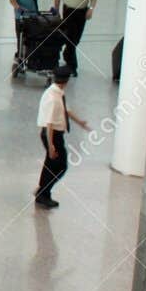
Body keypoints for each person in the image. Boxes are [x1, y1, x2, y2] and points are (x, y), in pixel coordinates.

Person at [35, 66, 87, 209]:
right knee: (61, 166)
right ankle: (43, 193)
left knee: (50, 164)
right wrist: (51, 145)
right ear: (67, 81)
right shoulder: (54, 99)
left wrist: (80, 122)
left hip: (52, 135)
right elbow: (50, 123)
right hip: (53, 135)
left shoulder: (54, 92)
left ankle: (42, 192)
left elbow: (66, 110)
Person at [52, 0, 98, 77]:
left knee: (74, 40)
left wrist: (91, 9)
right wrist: (56, 11)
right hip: (68, 11)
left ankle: (69, 61)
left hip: (81, 13)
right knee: (68, 38)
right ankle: (72, 66)